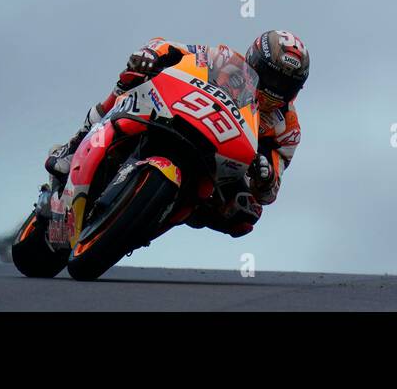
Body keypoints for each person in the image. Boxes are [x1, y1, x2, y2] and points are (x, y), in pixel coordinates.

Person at [45, 30, 308, 237]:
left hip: (222, 162)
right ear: (255, 61)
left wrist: (266, 175)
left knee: (245, 216)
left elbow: (273, 185)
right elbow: (175, 49)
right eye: (272, 77)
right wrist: (151, 55)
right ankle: (75, 144)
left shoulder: (288, 127)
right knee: (131, 79)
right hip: (182, 116)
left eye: (285, 84)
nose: (275, 88)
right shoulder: (226, 59)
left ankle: (157, 215)